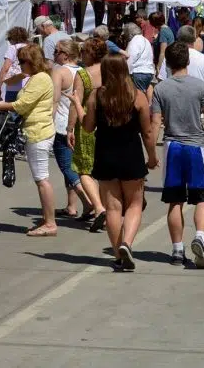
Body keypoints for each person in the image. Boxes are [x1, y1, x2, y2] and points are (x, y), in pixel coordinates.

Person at [82, 52, 157, 270]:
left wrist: (80, 111)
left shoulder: (97, 96)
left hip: (105, 154)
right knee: (134, 204)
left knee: (113, 207)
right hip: (131, 154)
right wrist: (152, 157)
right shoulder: (137, 96)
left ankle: (117, 254)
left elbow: (88, 128)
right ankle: (127, 243)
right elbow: (148, 132)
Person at [0, 44, 59, 236]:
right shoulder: (35, 77)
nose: (20, 64)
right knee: (41, 178)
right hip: (36, 130)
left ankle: (50, 223)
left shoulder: (40, 79)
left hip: (38, 131)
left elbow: (21, 105)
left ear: (32, 62)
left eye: (23, 61)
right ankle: (47, 219)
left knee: (42, 179)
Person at [152, 42, 204, 269]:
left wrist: (151, 152)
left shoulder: (161, 89)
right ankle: (200, 236)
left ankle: (177, 250)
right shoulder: (200, 86)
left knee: (174, 200)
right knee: (202, 197)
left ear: (168, 64)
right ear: (187, 62)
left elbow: (155, 123)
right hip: (196, 146)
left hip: (172, 145)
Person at [51, 39, 94, 222]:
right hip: (81, 123)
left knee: (67, 167)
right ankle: (72, 205)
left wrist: (47, 122)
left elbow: (53, 100)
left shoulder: (59, 72)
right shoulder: (84, 72)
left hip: (63, 124)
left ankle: (88, 201)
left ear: (65, 54)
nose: (54, 54)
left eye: (56, 51)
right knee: (75, 164)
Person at [72, 38, 108, 231]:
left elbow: (74, 102)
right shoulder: (109, 70)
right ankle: (106, 206)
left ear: (91, 54)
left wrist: (69, 128)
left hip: (86, 122)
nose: (81, 55)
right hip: (107, 122)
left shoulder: (83, 74)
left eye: (84, 52)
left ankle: (99, 207)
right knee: (102, 169)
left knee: (84, 170)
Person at [0, 26, 31, 102]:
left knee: (12, 112)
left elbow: (5, 68)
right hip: (29, 86)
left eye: (9, 39)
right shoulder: (31, 48)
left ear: (13, 38)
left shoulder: (13, 48)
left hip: (14, 87)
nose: (9, 41)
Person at [123, 22, 155, 94]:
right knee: (144, 94)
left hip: (139, 73)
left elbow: (130, 58)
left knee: (139, 96)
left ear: (129, 33)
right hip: (148, 72)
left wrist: (124, 74)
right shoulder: (145, 40)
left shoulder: (135, 41)